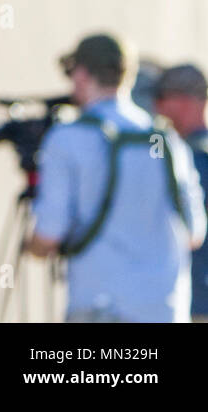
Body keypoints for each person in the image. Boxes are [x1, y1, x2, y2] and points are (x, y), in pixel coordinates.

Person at [26, 34, 205, 322]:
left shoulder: (68, 138)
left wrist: (32, 246)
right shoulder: (168, 140)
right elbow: (195, 232)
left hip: (98, 307)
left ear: (82, 74)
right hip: (162, 309)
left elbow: (49, 232)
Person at [149, 63, 208, 320]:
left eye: (162, 99)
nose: (156, 107)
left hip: (195, 303)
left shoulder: (187, 157)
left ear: (184, 101)